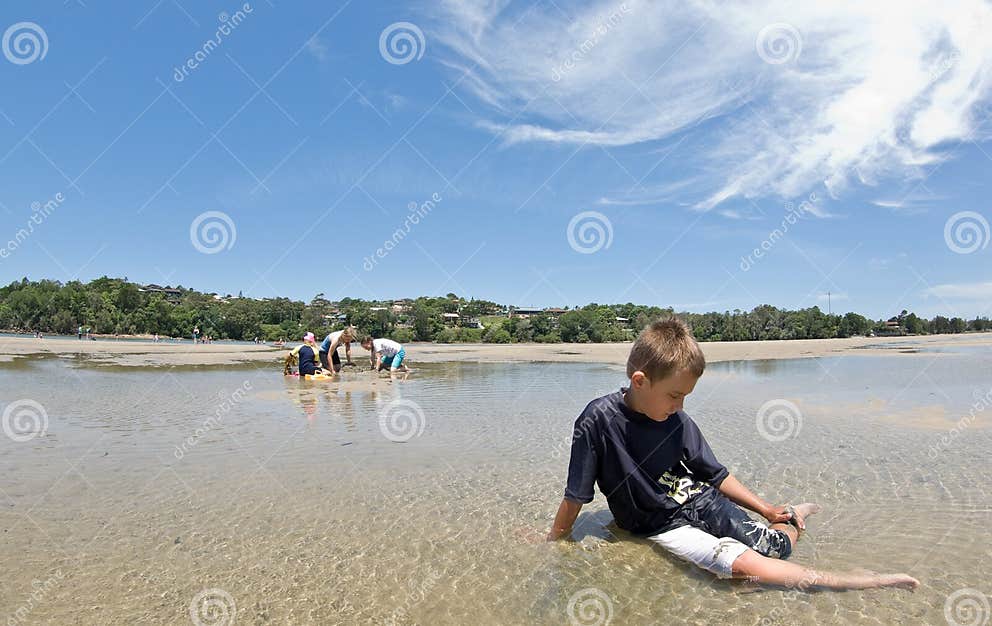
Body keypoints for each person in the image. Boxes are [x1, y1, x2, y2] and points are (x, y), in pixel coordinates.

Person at [545, 318, 919, 591]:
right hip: (661, 525)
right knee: (743, 569)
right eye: (674, 395)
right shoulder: (597, 420)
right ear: (640, 381)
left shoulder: (677, 421)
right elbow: (576, 495)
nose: (680, 406)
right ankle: (854, 582)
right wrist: (553, 542)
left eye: (685, 397)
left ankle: (791, 517)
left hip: (702, 502)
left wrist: (767, 509)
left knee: (774, 548)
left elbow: (715, 475)